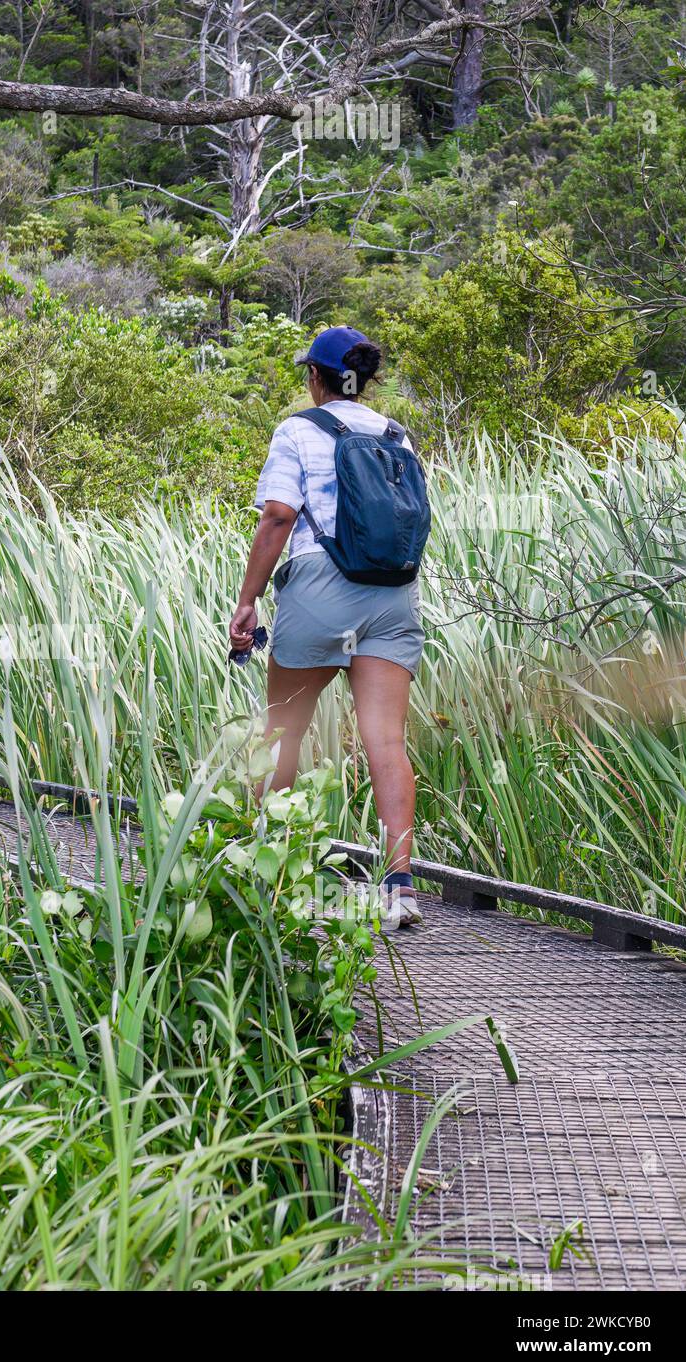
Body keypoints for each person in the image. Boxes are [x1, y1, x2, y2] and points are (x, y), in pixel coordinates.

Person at [229, 326, 424, 928]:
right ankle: (399, 888)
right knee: (386, 740)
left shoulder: (297, 431)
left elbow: (279, 517)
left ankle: (270, 872)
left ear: (315, 376)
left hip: (320, 589)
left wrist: (248, 599)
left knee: (283, 730)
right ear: (363, 380)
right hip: (393, 596)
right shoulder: (397, 435)